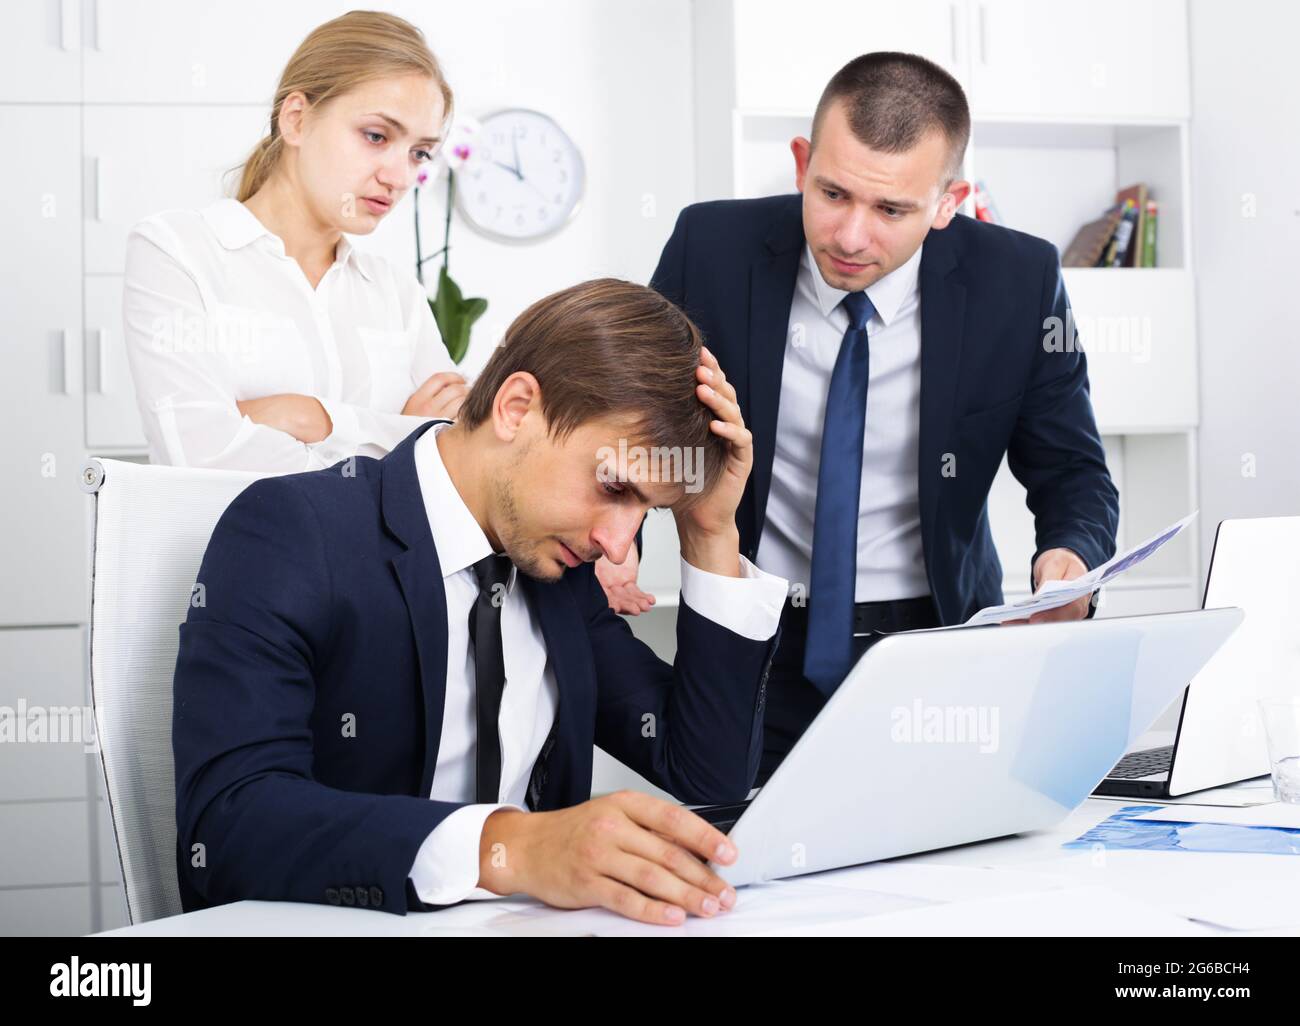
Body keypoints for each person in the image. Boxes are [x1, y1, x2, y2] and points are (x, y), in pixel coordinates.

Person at [172, 278, 790, 926]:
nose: (616, 544)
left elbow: (707, 775)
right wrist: (510, 847)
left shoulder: (561, 574)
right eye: (612, 485)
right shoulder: (295, 532)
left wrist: (710, 533)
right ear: (517, 407)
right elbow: (227, 829)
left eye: (648, 512)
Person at [649, 52, 1120, 782]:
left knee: (944, 871)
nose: (850, 237)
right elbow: (635, 414)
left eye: (891, 210)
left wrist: (1074, 558)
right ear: (802, 161)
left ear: (947, 200)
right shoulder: (710, 248)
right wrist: (615, 523)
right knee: (740, 864)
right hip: (753, 638)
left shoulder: (1018, 282)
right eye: (832, 193)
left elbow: (1073, 471)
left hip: (938, 648)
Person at [122, 10, 468, 474]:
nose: (399, 176)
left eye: (419, 153)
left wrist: (312, 416)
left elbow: (457, 458)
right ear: (297, 120)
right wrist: (398, 441)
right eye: (375, 135)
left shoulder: (396, 293)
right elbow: (201, 461)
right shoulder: (177, 253)